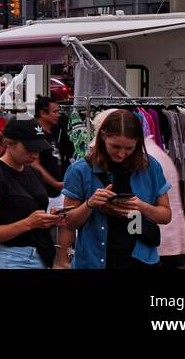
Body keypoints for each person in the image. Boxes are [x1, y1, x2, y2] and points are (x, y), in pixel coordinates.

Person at [61, 109, 172, 270]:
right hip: (95, 260)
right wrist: (90, 204)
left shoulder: (149, 166)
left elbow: (166, 215)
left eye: (129, 148)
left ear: (138, 143)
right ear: (103, 137)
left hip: (140, 260)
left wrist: (141, 207)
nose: (121, 154)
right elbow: (69, 221)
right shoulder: (81, 170)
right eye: (115, 146)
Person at [0, 118, 63, 269]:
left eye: (38, 149)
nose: (34, 155)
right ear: (9, 143)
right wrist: (29, 223)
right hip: (13, 260)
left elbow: (30, 214)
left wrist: (49, 219)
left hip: (41, 254)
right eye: (29, 149)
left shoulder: (33, 173)